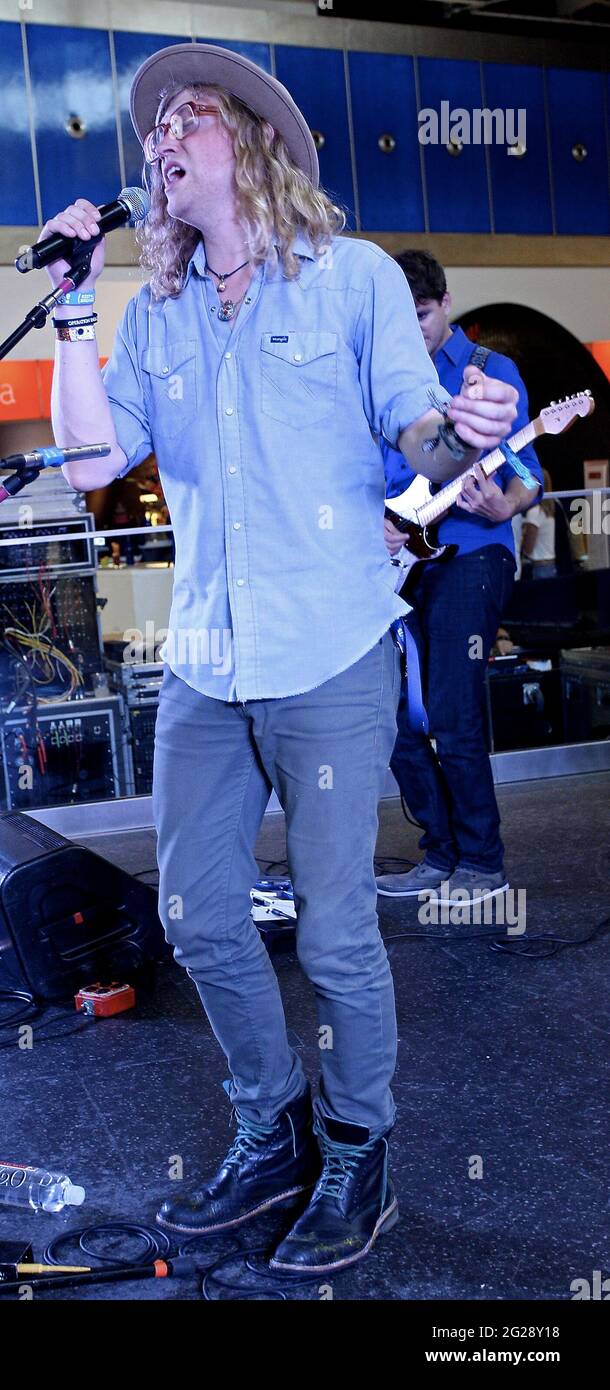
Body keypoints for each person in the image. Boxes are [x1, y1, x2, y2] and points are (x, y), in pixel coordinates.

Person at [39, 44, 518, 1275]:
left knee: (336, 929)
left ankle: (360, 1153)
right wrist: (74, 312)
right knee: (195, 912)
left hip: (328, 649)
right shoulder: (153, 314)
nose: (159, 137)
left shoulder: (351, 280)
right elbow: (92, 462)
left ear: (247, 143)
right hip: (205, 658)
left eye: (185, 116)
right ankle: (272, 1125)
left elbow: (415, 432)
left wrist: (460, 431)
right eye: (151, 129)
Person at [376, 251, 541, 907]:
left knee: (450, 707)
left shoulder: (489, 373)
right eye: (401, 316)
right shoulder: (383, 375)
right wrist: (375, 525)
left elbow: (529, 474)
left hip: (474, 552)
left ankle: (482, 862)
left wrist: (509, 502)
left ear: (445, 303)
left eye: (420, 313)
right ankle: (439, 853)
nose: (412, 328)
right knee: (394, 720)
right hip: (396, 562)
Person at [520, 466, 557, 579]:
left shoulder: (535, 512)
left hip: (539, 569)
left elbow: (529, 547)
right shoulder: (549, 510)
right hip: (550, 566)